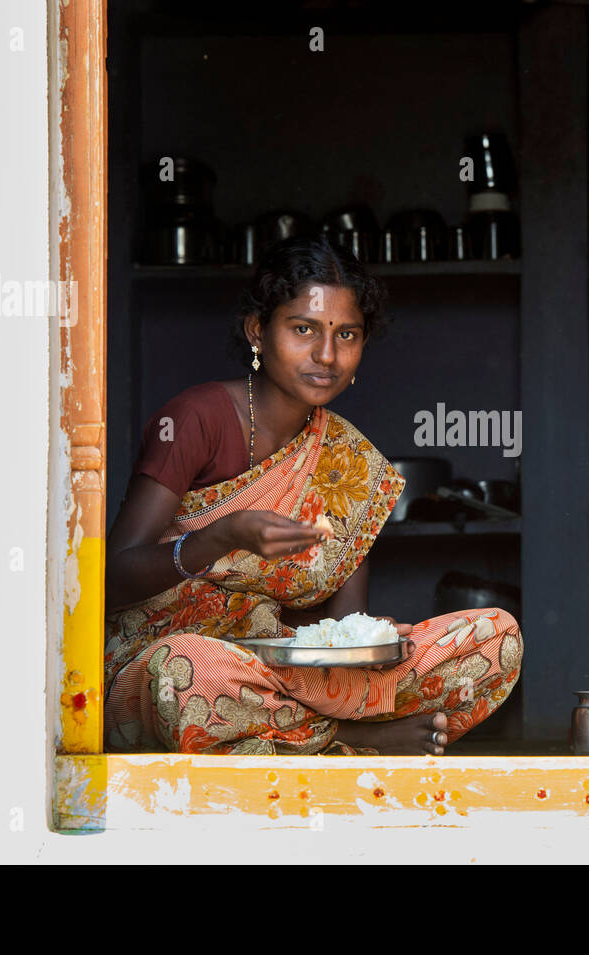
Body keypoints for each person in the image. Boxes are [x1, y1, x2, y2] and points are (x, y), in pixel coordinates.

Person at [102, 236, 523, 756]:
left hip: (277, 675)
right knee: (188, 675)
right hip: (167, 663)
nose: (327, 355)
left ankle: (303, 735)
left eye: (347, 334)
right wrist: (220, 537)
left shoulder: (347, 462)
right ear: (258, 331)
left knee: (494, 636)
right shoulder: (195, 419)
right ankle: (348, 740)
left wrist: (365, 641)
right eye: (303, 329)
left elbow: (331, 636)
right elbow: (112, 579)